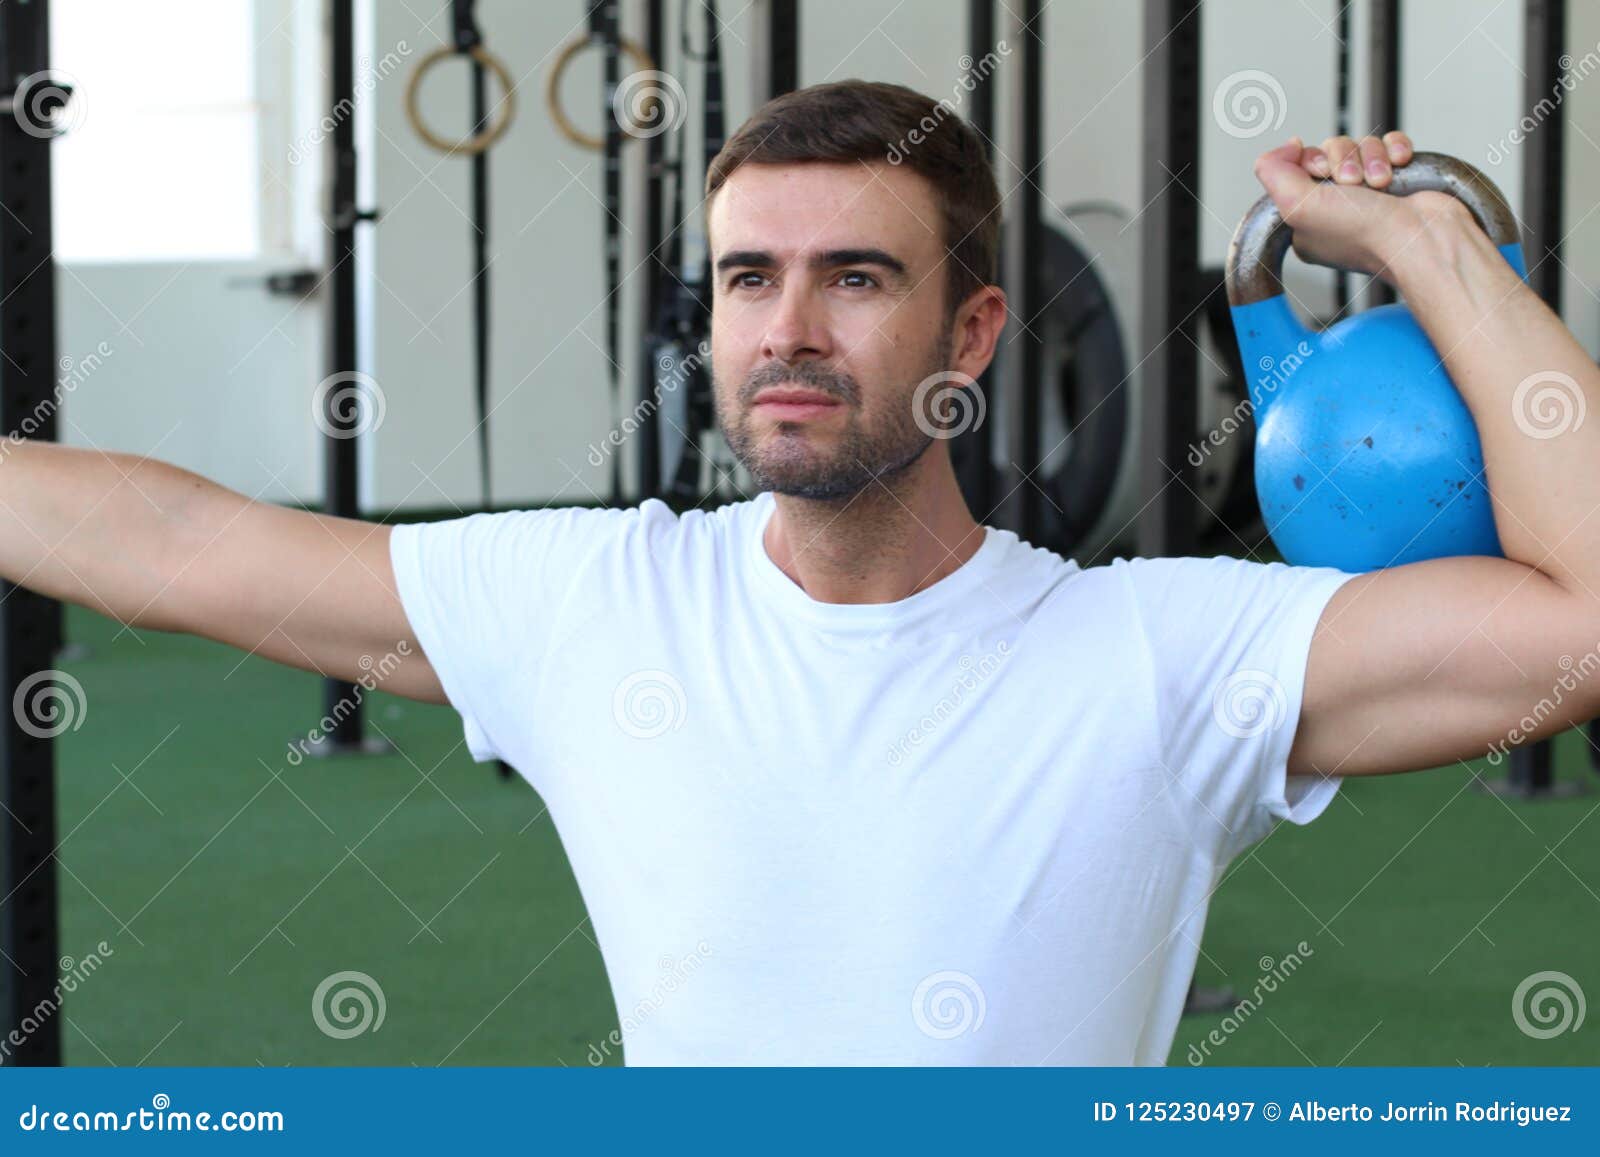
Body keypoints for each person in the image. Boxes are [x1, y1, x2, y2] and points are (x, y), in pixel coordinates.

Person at [3, 81, 1595, 1066]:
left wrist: (1434, 251)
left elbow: (1579, 621)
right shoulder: (595, 605)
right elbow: (178, 542)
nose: (788, 331)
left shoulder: (1160, 652)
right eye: (751, 278)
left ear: (971, 333)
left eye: (856, 277)